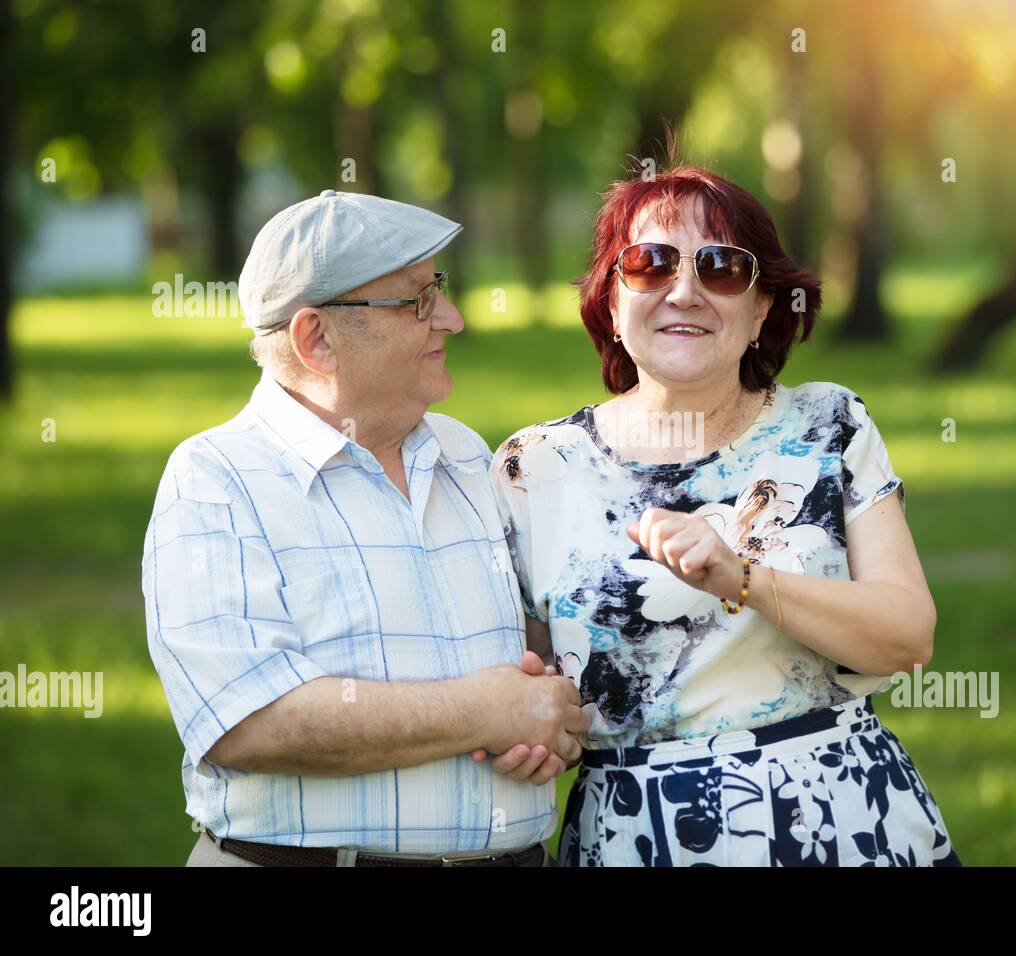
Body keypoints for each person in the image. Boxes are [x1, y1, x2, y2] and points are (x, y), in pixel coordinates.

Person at [485, 165, 961, 866]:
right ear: (611, 302)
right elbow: (529, 686)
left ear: (764, 306)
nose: (684, 291)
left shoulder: (829, 425)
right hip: (635, 838)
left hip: (840, 820)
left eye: (722, 268)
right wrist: (528, 738)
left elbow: (907, 637)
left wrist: (742, 579)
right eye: (649, 264)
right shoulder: (534, 468)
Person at [142, 190, 585, 868]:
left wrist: (545, 715)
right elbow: (247, 721)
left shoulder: (468, 455)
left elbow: (526, 660)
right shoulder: (216, 479)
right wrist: (486, 711)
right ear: (316, 338)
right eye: (417, 302)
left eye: (439, 290)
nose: (455, 320)